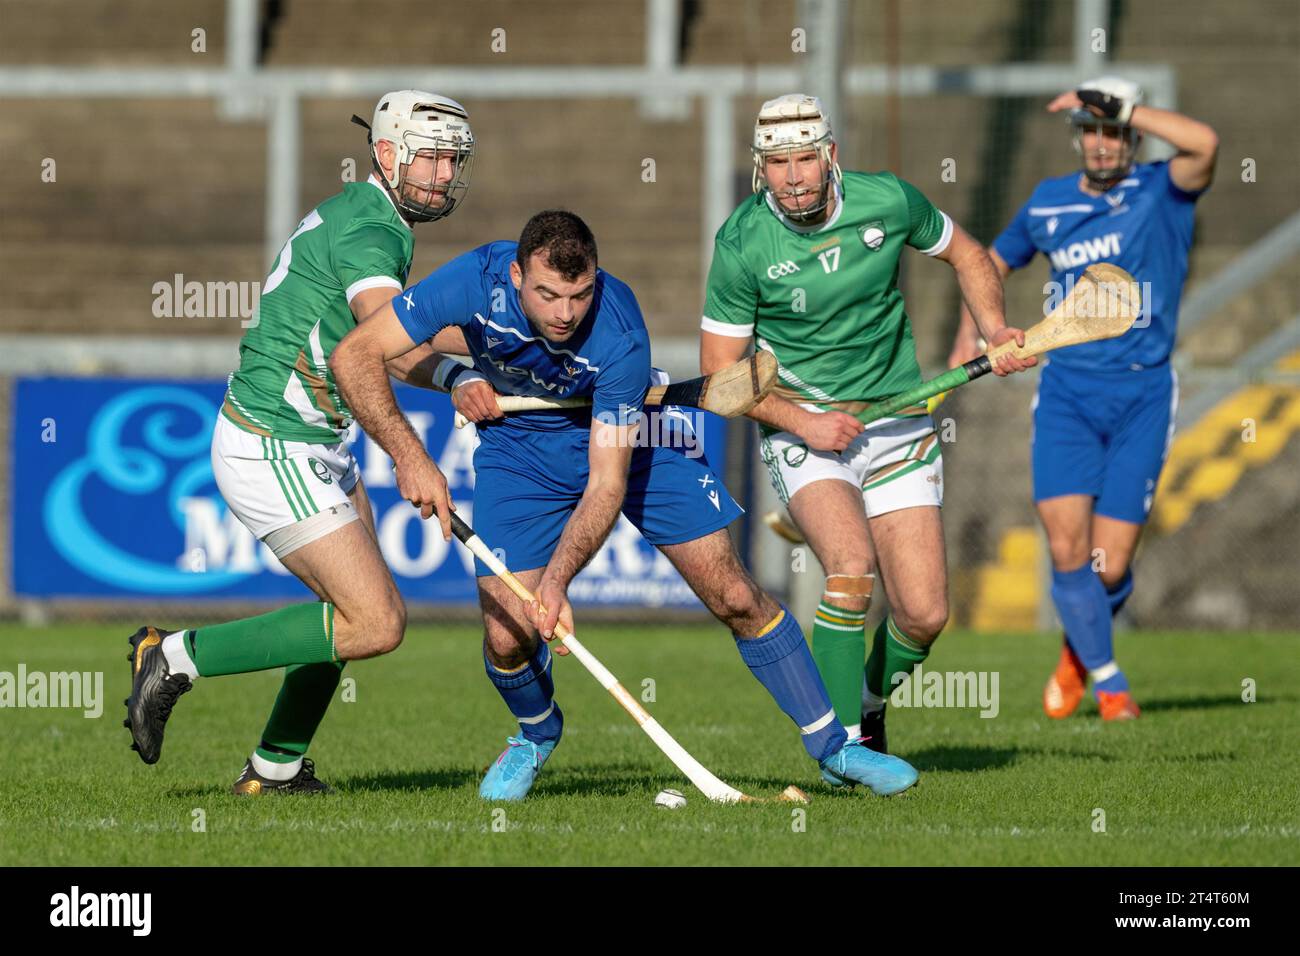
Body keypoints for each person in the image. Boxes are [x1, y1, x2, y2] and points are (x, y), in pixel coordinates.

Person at [330, 209, 920, 801]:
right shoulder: (470, 280)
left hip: (637, 440)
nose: (564, 313)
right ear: (514, 276)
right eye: (548, 294)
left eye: (579, 294)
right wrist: (419, 439)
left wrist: (557, 582)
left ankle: (834, 748)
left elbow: (605, 484)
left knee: (734, 594)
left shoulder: (620, 334)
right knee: (507, 635)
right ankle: (536, 734)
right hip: (520, 448)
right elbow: (357, 353)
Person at [124, 91, 476, 793]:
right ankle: (175, 655)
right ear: (386, 154)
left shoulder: (372, 217)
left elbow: (393, 348)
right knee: (375, 622)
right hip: (273, 443)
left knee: (345, 612)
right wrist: (415, 452)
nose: (443, 174)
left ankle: (275, 767)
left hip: (315, 439)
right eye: (431, 157)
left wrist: (458, 374)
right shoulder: (372, 233)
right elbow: (383, 346)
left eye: (452, 160)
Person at [700, 93, 1033, 752]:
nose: (792, 177)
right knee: (850, 569)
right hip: (804, 429)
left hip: (897, 420)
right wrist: (805, 424)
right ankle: (842, 748)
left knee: (925, 614)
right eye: (776, 163)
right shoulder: (742, 243)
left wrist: (993, 329)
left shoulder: (888, 202)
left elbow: (970, 255)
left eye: (803, 159)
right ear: (759, 168)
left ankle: (870, 705)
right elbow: (722, 378)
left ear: (830, 156)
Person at [947, 77, 1218, 720]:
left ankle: (1077, 653)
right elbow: (991, 260)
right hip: (1067, 394)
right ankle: (1110, 682)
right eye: (1092, 131)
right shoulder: (1047, 204)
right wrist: (971, 332)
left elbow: (1205, 142)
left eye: (1115, 131)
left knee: (1110, 565)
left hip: (1143, 393)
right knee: (1067, 549)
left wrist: (1122, 106)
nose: (1102, 144)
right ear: (1078, 139)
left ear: (1133, 135)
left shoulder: (1163, 190)